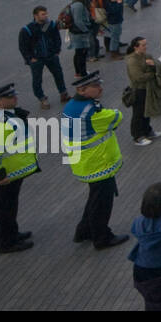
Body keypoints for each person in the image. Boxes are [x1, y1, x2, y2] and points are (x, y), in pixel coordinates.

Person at [62, 71, 128, 249]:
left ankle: (83, 231)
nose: (100, 88)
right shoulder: (91, 111)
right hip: (98, 163)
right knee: (102, 204)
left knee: (94, 199)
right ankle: (101, 237)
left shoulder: (71, 106)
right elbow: (116, 117)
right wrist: (112, 111)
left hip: (84, 164)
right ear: (82, 90)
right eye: (96, 86)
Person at [0, 83, 39, 253]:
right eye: (10, 97)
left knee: (10, 207)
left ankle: (13, 234)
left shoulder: (8, 115)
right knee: (4, 211)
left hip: (10, 174)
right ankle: (6, 243)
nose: (15, 98)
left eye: (14, 95)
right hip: (1, 178)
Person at [18, 6, 68, 110]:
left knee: (58, 74)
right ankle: (42, 98)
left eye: (46, 13)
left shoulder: (51, 25)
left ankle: (63, 93)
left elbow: (57, 38)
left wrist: (57, 50)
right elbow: (23, 46)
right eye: (43, 14)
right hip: (37, 59)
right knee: (37, 80)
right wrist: (30, 58)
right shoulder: (27, 29)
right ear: (35, 15)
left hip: (51, 56)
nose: (46, 16)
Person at [125, 37, 161, 146]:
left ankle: (147, 130)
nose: (145, 47)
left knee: (147, 111)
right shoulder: (132, 60)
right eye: (143, 45)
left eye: (145, 44)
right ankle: (137, 136)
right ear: (135, 47)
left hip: (147, 88)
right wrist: (152, 74)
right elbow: (138, 77)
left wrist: (154, 65)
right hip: (138, 90)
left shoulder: (147, 56)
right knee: (138, 113)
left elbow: (156, 66)